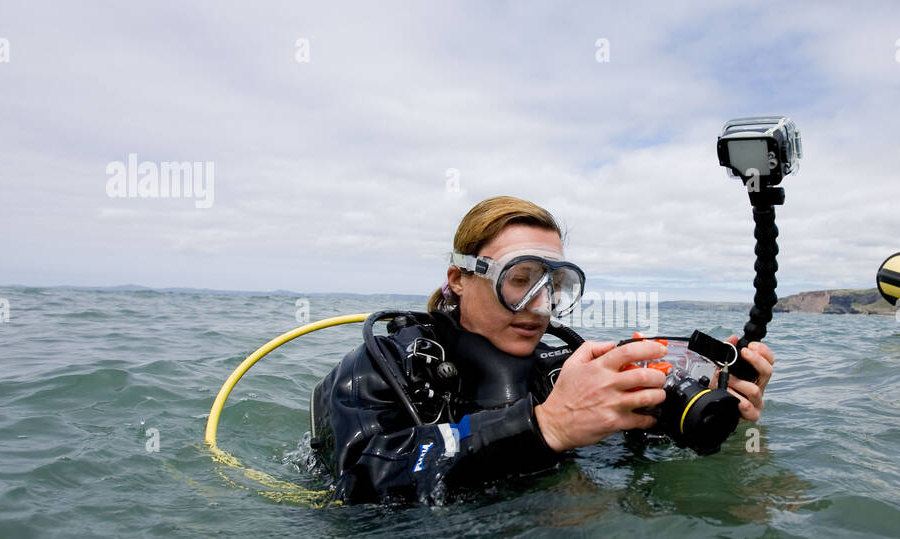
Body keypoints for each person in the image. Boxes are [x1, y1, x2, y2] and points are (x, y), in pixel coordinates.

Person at [309, 196, 776, 503]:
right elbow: (359, 484)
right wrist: (546, 425)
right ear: (459, 280)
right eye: (519, 280)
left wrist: (709, 405)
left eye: (554, 285)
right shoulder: (383, 365)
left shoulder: (561, 370)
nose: (540, 304)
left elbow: (647, 450)